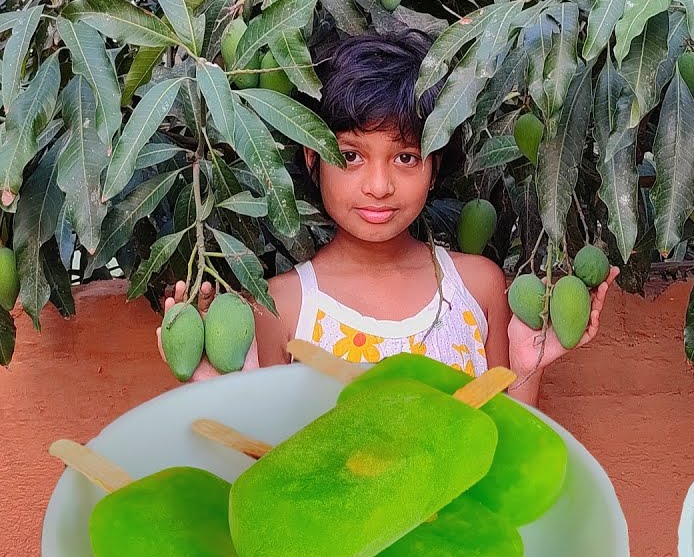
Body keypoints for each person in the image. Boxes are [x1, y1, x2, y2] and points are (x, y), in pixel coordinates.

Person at [161, 31, 616, 405]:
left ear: (434, 164)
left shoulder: (477, 287)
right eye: (351, 156)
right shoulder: (279, 308)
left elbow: (508, 452)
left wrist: (525, 365)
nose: (378, 185)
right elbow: (269, 471)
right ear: (312, 156)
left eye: (405, 157)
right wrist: (218, 393)